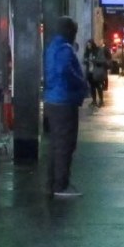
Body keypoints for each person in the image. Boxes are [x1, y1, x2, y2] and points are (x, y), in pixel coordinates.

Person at [43, 18, 87, 198]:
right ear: (69, 31)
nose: (74, 35)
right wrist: (81, 83)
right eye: (74, 31)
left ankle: (52, 183)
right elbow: (65, 71)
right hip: (64, 101)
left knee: (56, 144)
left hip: (53, 100)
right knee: (65, 145)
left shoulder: (52, 47)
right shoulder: (65, 49)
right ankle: (61, 186)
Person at [83, 42, 108, 109]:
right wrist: (86, 60)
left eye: (90, 45)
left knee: (98, 86)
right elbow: (84, 60)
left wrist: (94, 60)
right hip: (90, 71)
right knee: (92, 87)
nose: (89, 46)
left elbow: (102, 60)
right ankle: (94, 101)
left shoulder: (98, 51)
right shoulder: (87, 52)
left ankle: (101, 100)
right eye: (87, 45)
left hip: (96, 71)